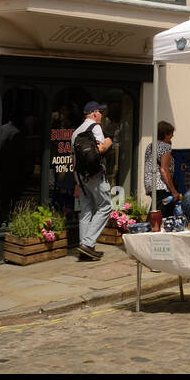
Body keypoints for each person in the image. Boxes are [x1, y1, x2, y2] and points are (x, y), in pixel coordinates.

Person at [73, 101, 115, 261]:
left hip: (81, 176)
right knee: (106, 206)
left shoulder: (76, 132)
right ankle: (88, 244)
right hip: (95, 174)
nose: (102, 115)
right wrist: (109, 141)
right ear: (94, 113)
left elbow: (73, 159)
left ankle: (84, 248)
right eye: (100, 112)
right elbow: (101, 148)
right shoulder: (95, 128)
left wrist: (77, 182)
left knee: (86, 211)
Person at [145, 120, 181, 213]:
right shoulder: (165, 147)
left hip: (151, 183)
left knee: (157, 211)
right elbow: (164, 169)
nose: (172, 135)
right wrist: (173, 191)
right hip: (161, 185)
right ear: (165, 134)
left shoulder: (151, 146)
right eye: (171, 133)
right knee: (159, 213)